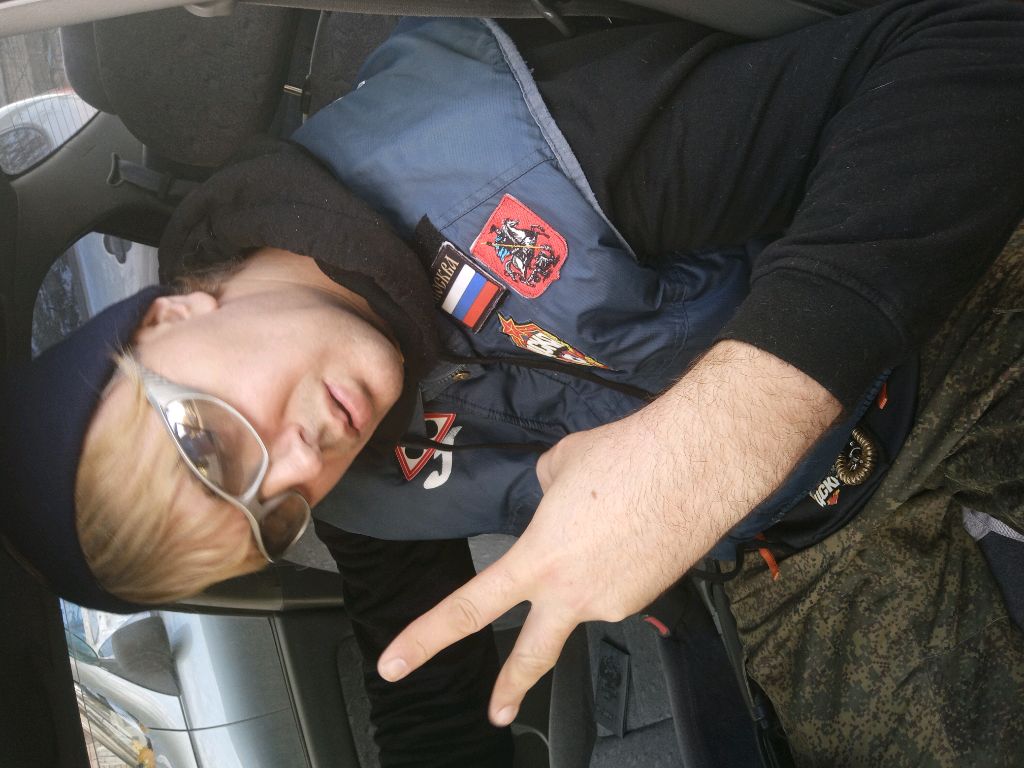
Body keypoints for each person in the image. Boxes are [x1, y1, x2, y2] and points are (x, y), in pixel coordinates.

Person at [2, 1, 1023, 765]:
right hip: (799, 559)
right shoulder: (358, 488)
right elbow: (425, 688)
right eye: (272, 521)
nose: (297, 468)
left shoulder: (515, 154)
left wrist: (729, 430)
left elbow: (973, 49)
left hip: (945, 333)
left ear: (169, 316)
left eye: (211, 444)